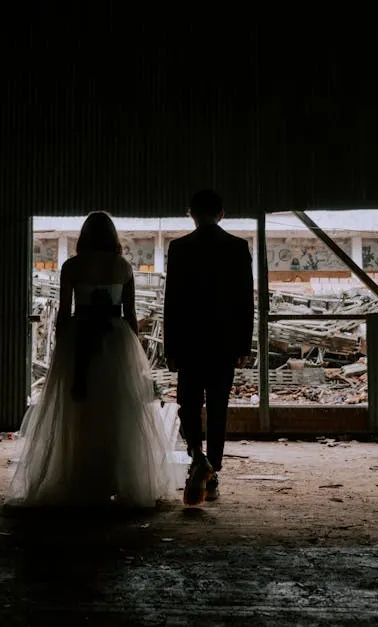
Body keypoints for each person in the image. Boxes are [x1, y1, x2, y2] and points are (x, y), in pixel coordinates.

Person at [6, 211, 181, 508]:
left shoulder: (72, 266)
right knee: (117, 411)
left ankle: (82, 478)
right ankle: (116, 479)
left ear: (84, 236)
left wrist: (62, 350)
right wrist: (134, 353)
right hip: (116, 339)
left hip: (80, 336)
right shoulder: (122, 267)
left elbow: (63, 312)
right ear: (112, 237)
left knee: (80, 412)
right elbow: (131, 316)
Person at [164, 190, 254, 505]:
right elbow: (246, 302)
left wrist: (169, 348)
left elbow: (171, 303)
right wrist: (245, 343)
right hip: (223, 343)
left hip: (189, 342)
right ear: (222, 214)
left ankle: (196, 458)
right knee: (217, 408)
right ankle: (212, 474)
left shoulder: (179, 248)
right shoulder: (238, 248)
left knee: (188, 405)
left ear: (191, 213)